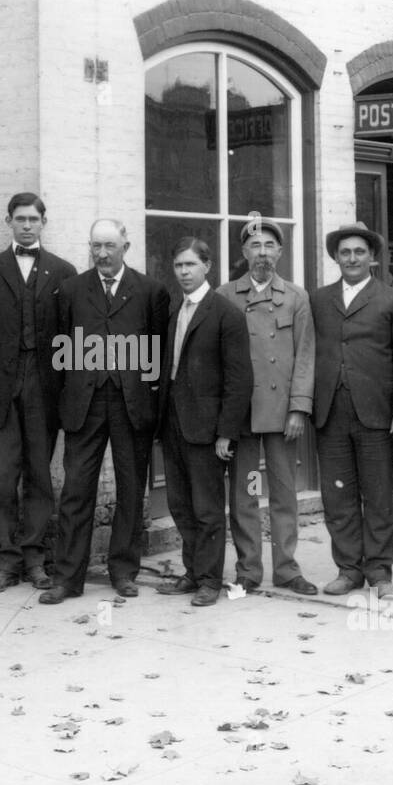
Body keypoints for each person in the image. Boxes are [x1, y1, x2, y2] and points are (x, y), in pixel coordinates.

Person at [42, 219, 169, 604]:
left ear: (125, 246)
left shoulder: (150, 291)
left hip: (132, 405)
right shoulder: (71, 289)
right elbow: (59, 349)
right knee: (77, 490)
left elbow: (157, 351)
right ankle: (67, 578)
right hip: (85, 404)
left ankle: (124, 571)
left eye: (109, 246)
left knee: (132, 490)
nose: (102, 254)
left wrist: (148, 396)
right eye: (96, 246)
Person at [310, 224, 393, 600]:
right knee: (338, 496)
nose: (353, 259)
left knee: (377, 496)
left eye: (360, 252)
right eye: (345, 253)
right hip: (331, 412)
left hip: (377, 414)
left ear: (372, 257)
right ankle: (348, 569)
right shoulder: (319, 300)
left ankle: (379, 572)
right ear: (336, 258)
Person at [0, 192, 76, 594]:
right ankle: (6, 560)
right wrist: (2, 366)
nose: (27, 225)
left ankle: (34, 557)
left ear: (43, 222)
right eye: (20, 218)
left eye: (34, 218)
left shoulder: (63, 272)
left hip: (45, 386)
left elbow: (69, 334)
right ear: (8, 222)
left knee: (38, 475)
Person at [215, 217, 317, 596]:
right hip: (241, 412)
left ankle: (288, 569)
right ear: (243, 252)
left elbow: (305, 355)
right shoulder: (225, 296)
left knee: (284, 492)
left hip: (281, 412)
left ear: (280, 252)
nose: (262, 253)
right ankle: (248, 570)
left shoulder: (296, 296)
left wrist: (298, 408)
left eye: (269, 246)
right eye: (255, 246)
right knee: (243, 493)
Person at [157, 238, 252, 607]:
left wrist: (226, 434)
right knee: (180, 506)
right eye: (179, 265)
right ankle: (192, 572)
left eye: (191, 265)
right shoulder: (173, 310)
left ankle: (211, 580)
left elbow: (239, 380)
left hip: (208, 430)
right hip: (174, 425)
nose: (184, 272)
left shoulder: (226, 314)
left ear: (207, 267)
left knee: (208, 509)